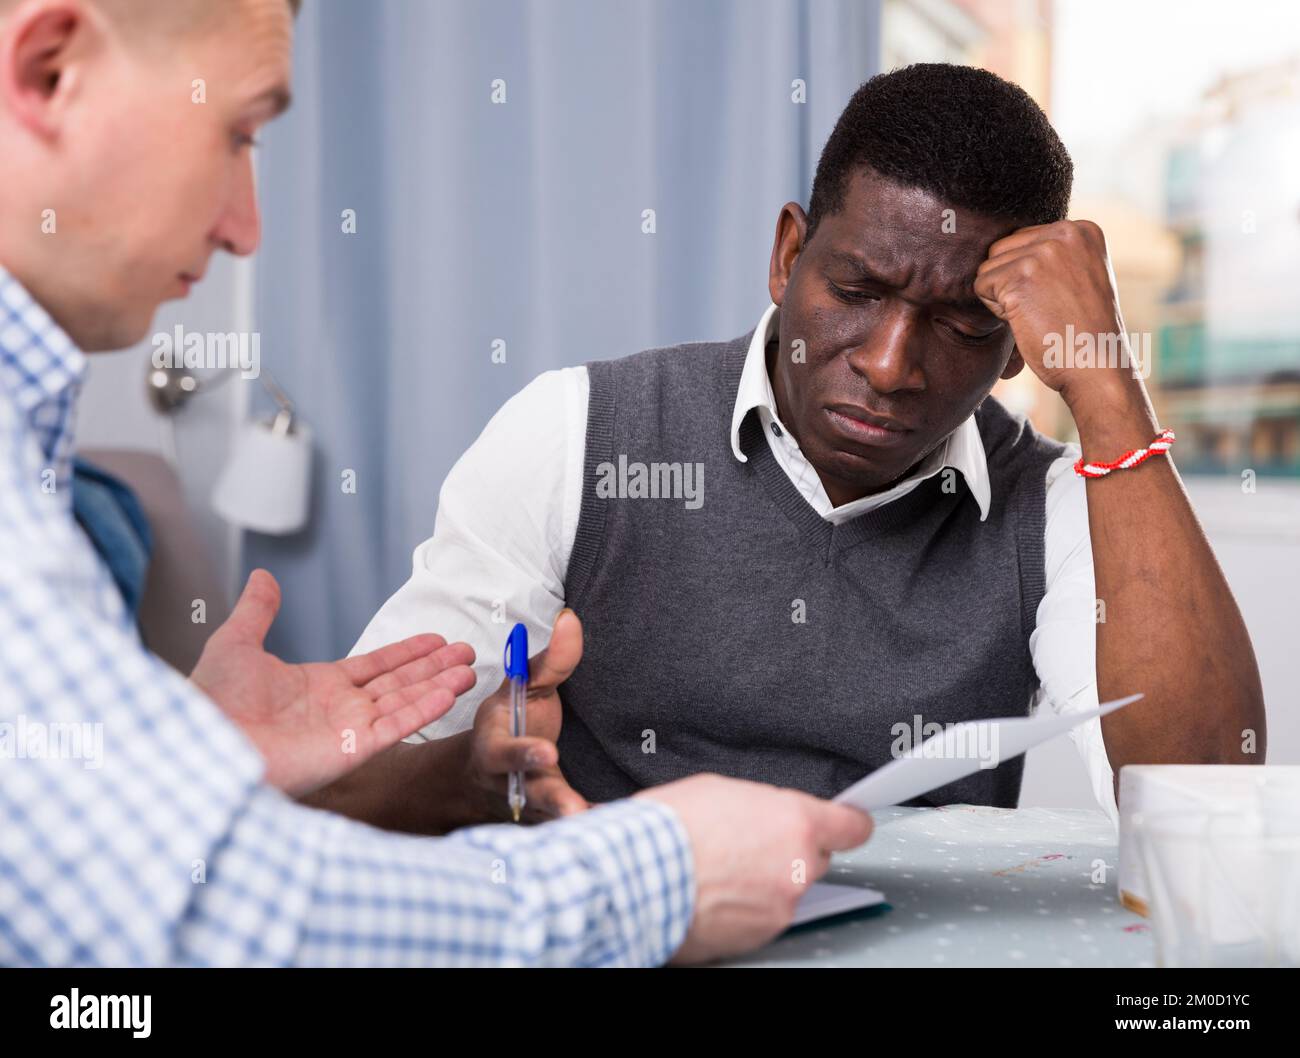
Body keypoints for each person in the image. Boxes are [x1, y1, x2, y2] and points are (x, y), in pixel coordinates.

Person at [0, 0, 873, 967]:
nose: (248, 230)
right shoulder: (576, 426)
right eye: (238, 133)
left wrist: (187, 753)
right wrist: (659, 877)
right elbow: (205, 922)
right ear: (49, 72)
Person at [334, 63, 1266, 833]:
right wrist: (473, 772)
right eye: (857, 289)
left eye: (960, 323)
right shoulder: (574, 433)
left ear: (1019, 341)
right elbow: (360, 778)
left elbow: (1202, 807)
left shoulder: (1060, 504)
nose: (892, 365)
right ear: (788, 256)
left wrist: (1108, 391)